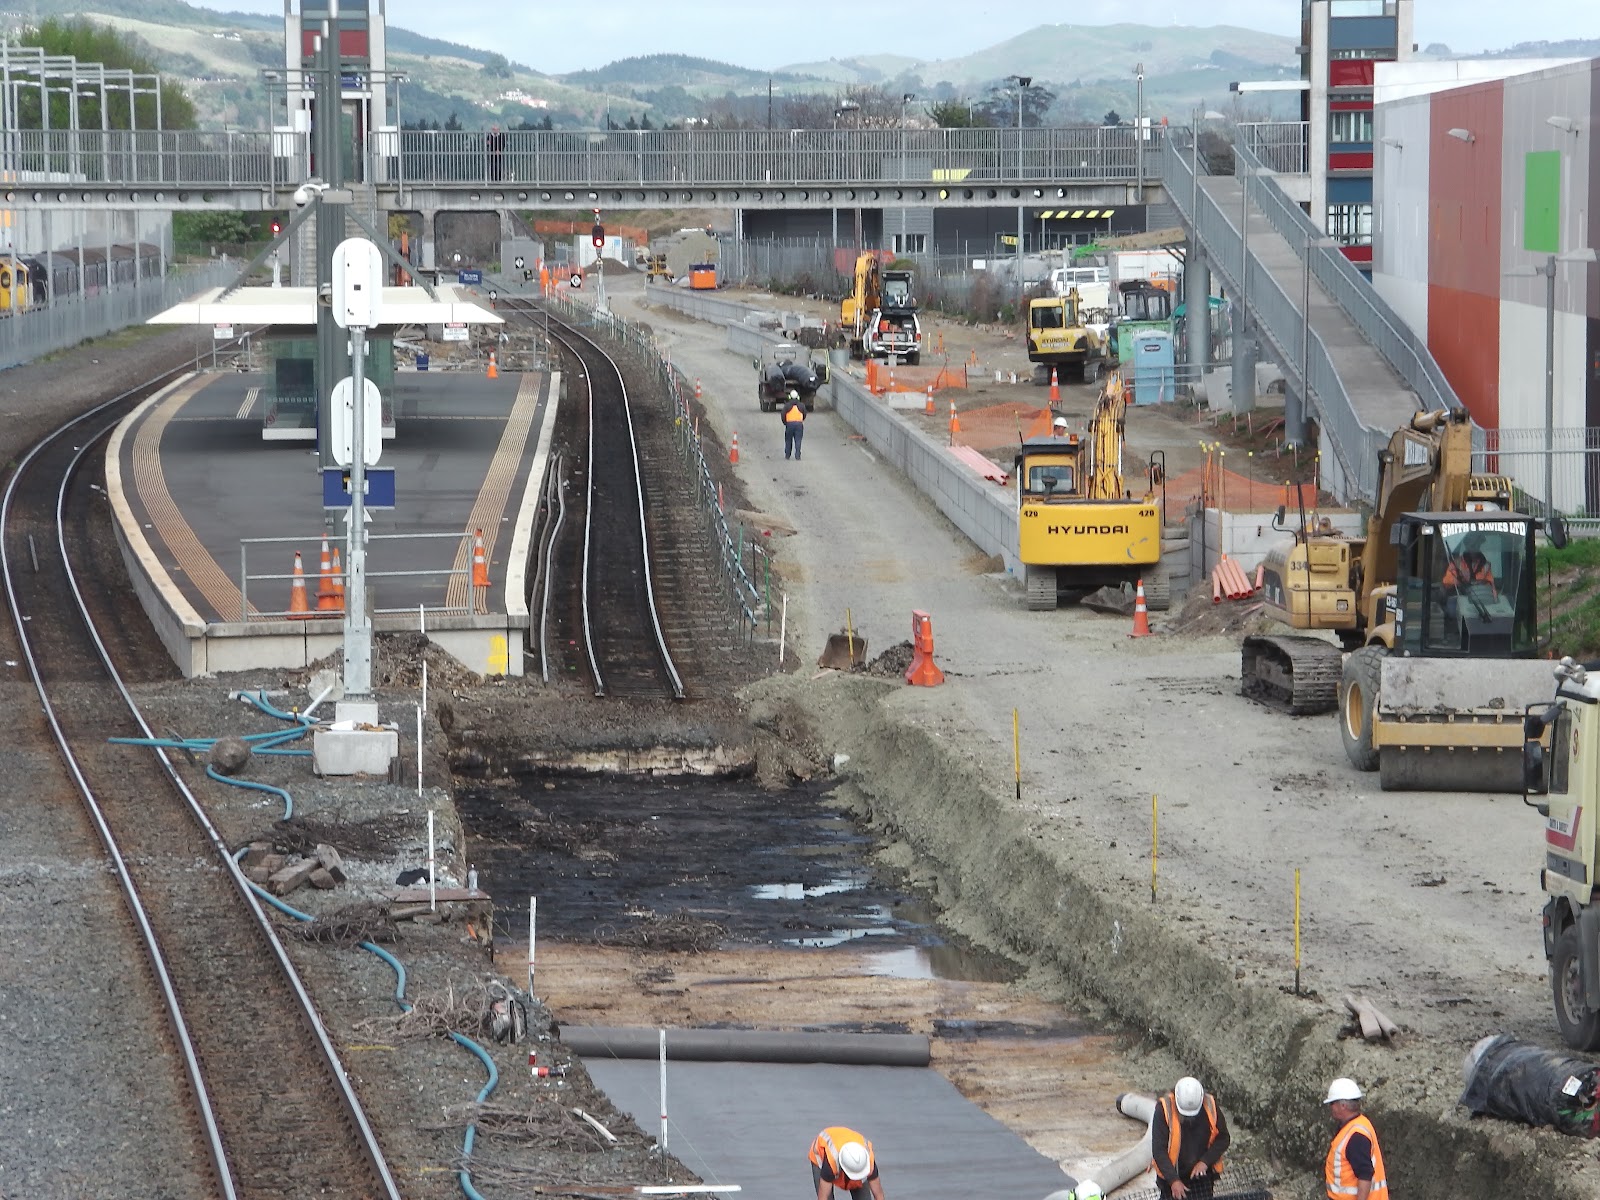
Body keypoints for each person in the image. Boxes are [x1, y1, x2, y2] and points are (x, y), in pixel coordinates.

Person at [1152, 1076, 1230, 1200]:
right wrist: (1173, 1181)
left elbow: (1223, 1138)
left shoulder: (1210, 1105)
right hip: (1172, 1176)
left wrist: (1205, 1162)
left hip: (1201, 1177)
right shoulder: (1164, 1110)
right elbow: (1159, 1150)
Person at [1323, 1078, 1387, 1200]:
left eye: (1332, 1103)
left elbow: (1365, 1174)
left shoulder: (1355, 1136)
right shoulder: (1359, 1123)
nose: (1331, 1107)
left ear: (1343, 1106)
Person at [809, 1127, 885, 1200]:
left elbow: (879, 1196)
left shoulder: (869, 1162)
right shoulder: (831, 1163)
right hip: (821, 1156)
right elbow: (823, 1197)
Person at [781, 388, 806, 461]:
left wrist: (785, 423)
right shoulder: (801, 406)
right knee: (798, 440)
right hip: (799, 424)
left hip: (789, 425)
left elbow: (783, 415)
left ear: (790, 397)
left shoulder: (787, 406)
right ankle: (797, 455)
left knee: (788, 440)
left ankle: (787, 455)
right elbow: (804, 414)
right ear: (798, 397)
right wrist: (800, 420)